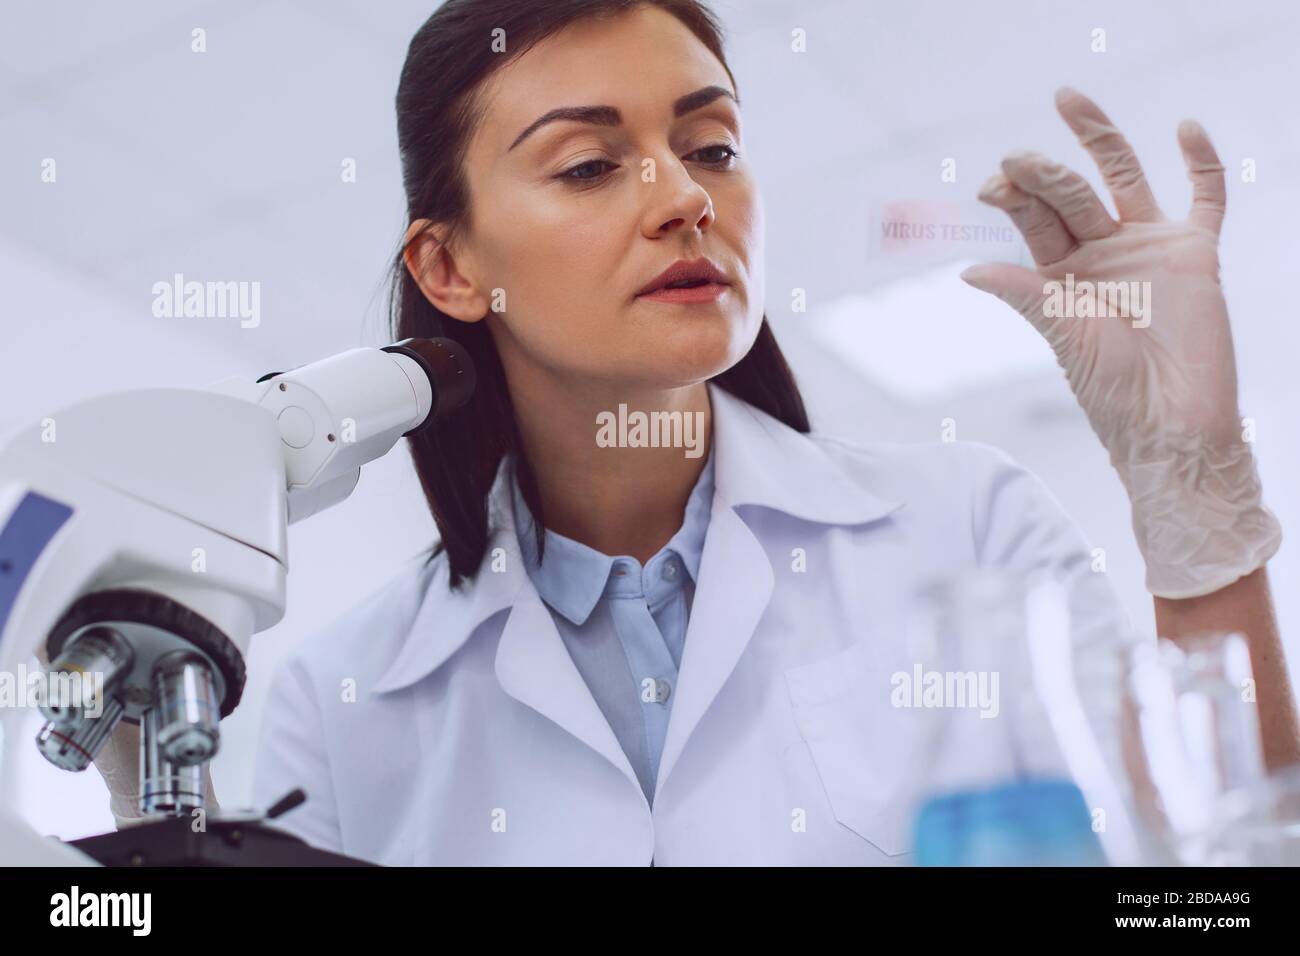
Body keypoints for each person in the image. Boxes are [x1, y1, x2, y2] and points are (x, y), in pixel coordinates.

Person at [103, 0, 1300, 865]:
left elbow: (1211, 870)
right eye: (587, 164)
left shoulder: (964, 525)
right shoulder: (343, 694)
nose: (683, 195)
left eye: (711, 145)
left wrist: (1188, 487)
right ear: (450, 264)